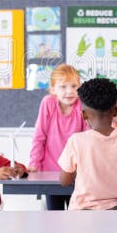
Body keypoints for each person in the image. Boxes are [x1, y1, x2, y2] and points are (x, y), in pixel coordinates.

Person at [58, 78, 117, 210]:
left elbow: (64, 181)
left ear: (84, 115)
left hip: (82, 211)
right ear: (115, 111)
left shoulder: (77, 140)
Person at [28, 63, 88, 210]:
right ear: (53, 89)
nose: (70, 91)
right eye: (63, 87)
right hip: (50, 171)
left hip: (76, 172)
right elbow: (39, 136)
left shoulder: (82, 105)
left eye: (74, 86)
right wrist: (34, 163)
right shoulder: (48, 103)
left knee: (76, 214)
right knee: (54, 214)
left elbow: (88, 138)